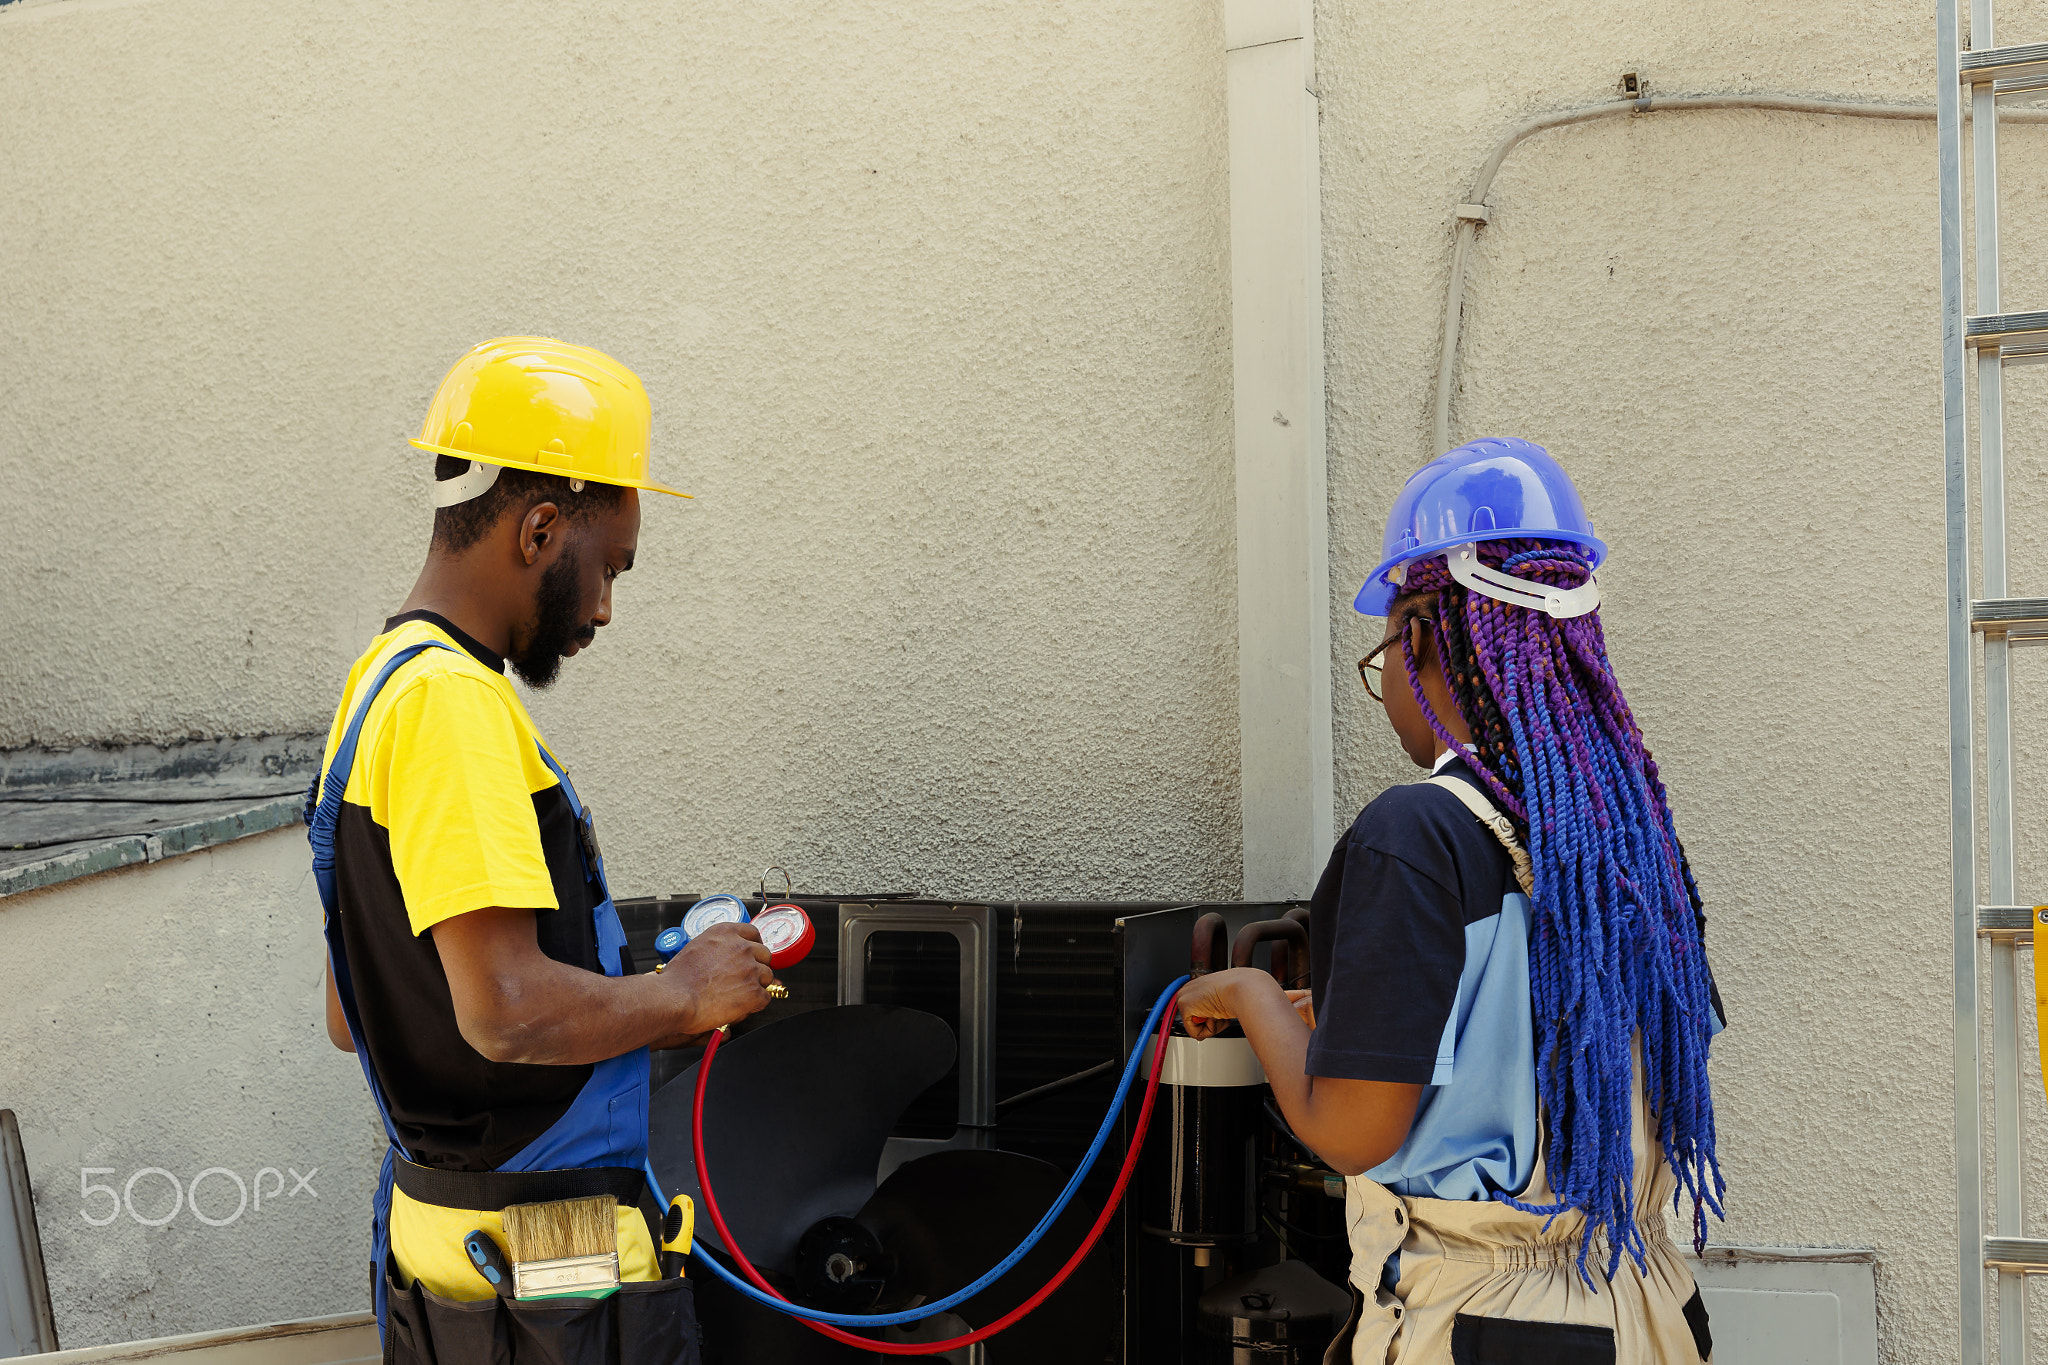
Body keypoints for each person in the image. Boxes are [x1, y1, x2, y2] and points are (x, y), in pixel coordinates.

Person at [1174, 438, 1724, 1364]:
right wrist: (1339, 1018)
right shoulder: (1625, 843)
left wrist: (1250, 997)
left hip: (1489, 1328)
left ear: (1421, 636)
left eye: (1384, 644)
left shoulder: (1418, 831)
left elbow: (1352, 1130)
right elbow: (1516, 1029)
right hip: (1652, 1308)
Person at [308, 337, 772, 1349]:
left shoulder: (377, 689)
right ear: (539, 529)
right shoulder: (453, 707)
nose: (604, 605)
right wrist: (683, 994)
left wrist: (625, 1004)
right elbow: (507, 1013)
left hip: (440, 1236)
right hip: (546, 1244)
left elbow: (356, 1014)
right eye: (607, 565)